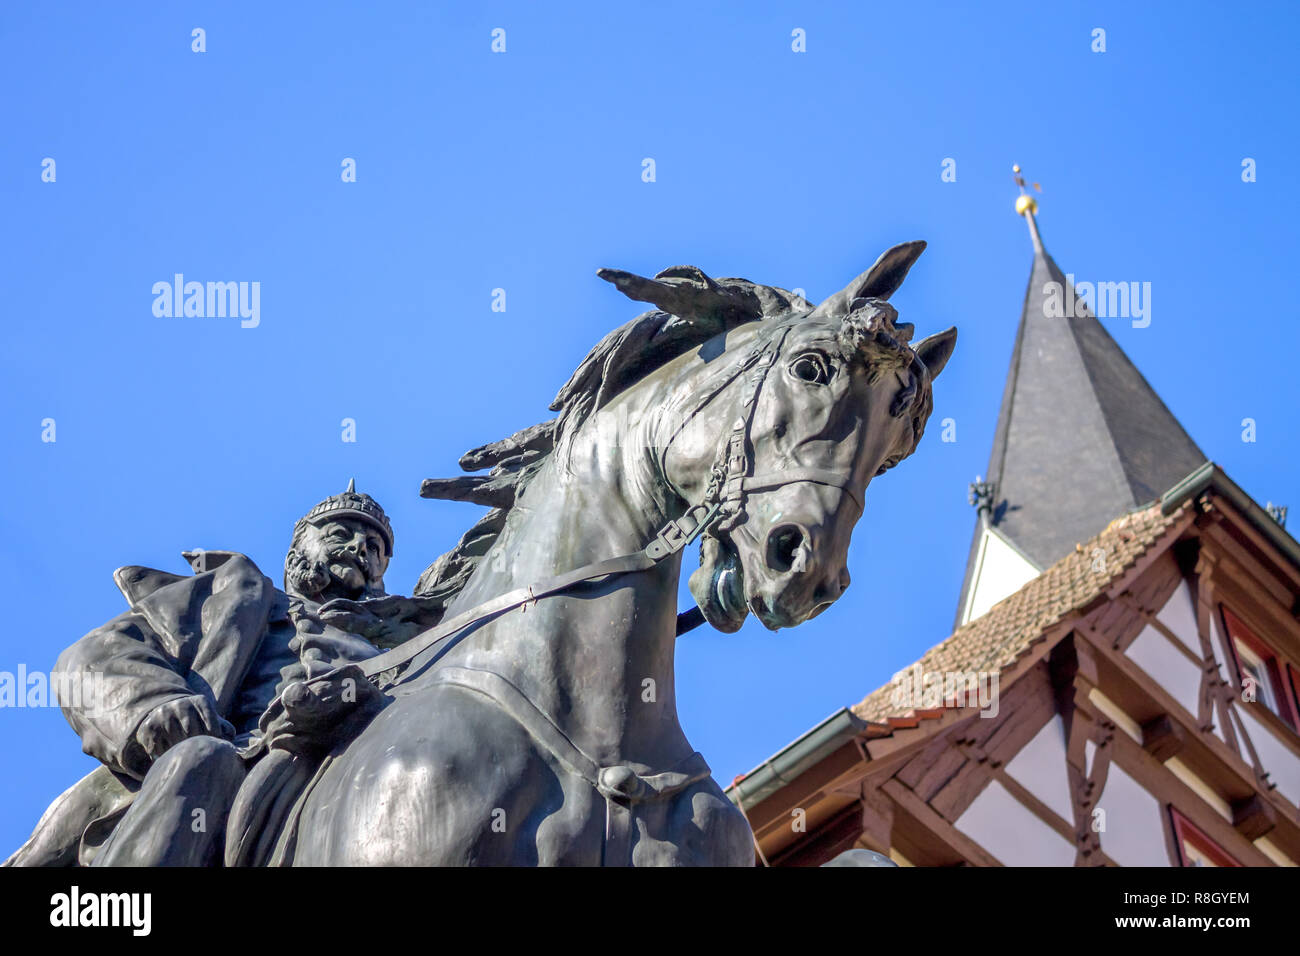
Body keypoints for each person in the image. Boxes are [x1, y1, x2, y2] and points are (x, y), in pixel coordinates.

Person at [4, 482, 440, 867]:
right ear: (295, 557)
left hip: (356, 767)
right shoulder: (240, 594)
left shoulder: (404, 648)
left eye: (375, 548)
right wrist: (157, 706)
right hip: (245, 753)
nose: (360, 549)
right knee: (201, 763)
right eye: (340, 535)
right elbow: (92, 659)